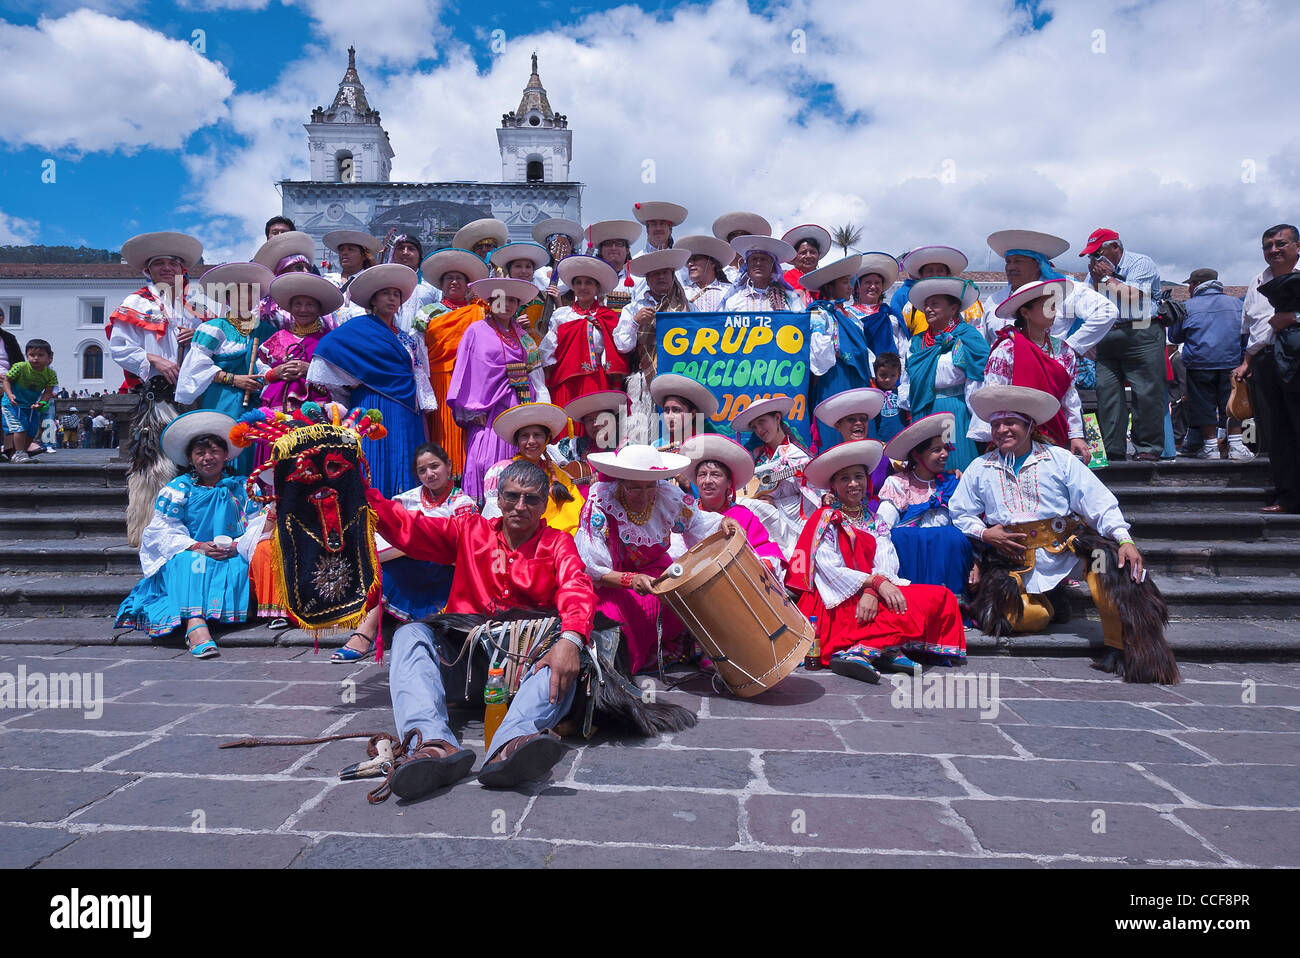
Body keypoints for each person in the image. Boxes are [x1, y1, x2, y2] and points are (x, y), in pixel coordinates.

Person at [365, 460, 596, 797]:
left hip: (526, 670)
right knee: (409, 634)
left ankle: (510, 746)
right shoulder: (470, 530)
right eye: (512, 496)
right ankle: (432, 745)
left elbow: (577, 587)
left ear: (545, 503)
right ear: (498, 499)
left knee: (564, 656)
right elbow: (408, 528)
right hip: (466, 665)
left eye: (531, 499)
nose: (520, 506)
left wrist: (571, 638)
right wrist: (361, 491)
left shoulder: (558, 543)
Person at [951, 385, 1173, 682]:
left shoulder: (1059, 459)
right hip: (1011, 562)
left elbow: (1097, 501)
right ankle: (1049, 604)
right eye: (995, 425)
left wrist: (1124, 539)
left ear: (1029, 425)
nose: (1002, 430)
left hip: (1067, 551)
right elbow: (959, 512)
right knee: (1029, 618)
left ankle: (1118, 647)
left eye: (1010, 423)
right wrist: (985, 533)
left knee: (1105, 567)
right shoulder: (980, 467)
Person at [786, 438, 966, 684]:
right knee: (898, 610)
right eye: (844, 478)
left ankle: (873, 649)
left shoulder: (874, 518)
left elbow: (887, 559)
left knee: (940, 596)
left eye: (858, 477)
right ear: (833, 486)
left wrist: (875, 587)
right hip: (838, 599)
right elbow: (830, 570)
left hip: (873, 592)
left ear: (867, 480)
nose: (853, 484)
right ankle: (869, 650)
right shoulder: (824, 519)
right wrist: (874, 583)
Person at [573, 444, 739, 675]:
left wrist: (721, 524)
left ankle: (673, 643)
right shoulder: (600, 505)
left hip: (659, 575)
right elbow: (592, 568)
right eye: (635, 488)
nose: (644, 495)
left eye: (650, 486)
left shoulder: (667, 498)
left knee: (687, 601)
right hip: (614, 583)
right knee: (614, 625)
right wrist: (630, 580)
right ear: (620, 482)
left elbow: (697, 525)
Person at [115, 411, 255, 658]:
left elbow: (256, 523)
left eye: (214, 452)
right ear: (190, 459)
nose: (208, 458)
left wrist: (237, 545)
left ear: (226, 455)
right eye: (200, 453)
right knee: (191, 563)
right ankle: (195, 624)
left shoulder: (243, 487)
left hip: (232, 550)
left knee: (243, 563)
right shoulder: (177, 489)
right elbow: (161, 529)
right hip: (193, 551)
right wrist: (197, 545)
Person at [341, 443, 479, 665]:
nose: (430, 474)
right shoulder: (406, 500)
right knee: (391, 567)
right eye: (422, 470)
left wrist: (415, 547)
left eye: (435, 466)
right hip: (406, 566)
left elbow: (463, 550)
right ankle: (367, 630)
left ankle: (369, 632)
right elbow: (385, 540)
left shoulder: (462, 504)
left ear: (448, 465)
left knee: (401, 565)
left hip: (445, 572)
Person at [309, 263, 436, 497]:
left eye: (396, 294)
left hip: (407, 408)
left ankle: (402, 513)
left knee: (405, 455)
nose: (392, 299)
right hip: (372, 403)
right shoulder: (358, 328)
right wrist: (351, 385)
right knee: (374, 456)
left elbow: (418, 372)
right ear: (373, 300)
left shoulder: (407, 338)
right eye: (385, 294)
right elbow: (327, 349)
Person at [448, 276, 549, 499]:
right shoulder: (475, 331)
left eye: (512, 300)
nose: (507, 304)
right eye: (501, 299)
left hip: (518, 407)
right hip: (485, 410)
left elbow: (536, 376)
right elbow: (465, 370)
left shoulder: (526, 338)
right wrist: (471, 410)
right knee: (482, 461)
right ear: (490, 302)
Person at [968, 279, 1090, 462]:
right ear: (1026, 312)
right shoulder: (1006, 349)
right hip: (1015, 437)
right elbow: (995, 396)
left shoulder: (1064, 351)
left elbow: (1069, 397)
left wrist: (1076, 434)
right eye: (1047, 305)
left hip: (1056, 433)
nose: (1054, 310)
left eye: (1054, 304)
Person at [176, 262, 272, 475]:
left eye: (249, 292)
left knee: (257, 460)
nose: (243, 298)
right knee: (224, 452)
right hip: (222, 404)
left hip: (258, 407)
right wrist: (234, 379)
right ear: (227, 298)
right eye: (236, 293)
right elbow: (195, 368)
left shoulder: (268, 331)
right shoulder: (213, 328)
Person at [1077, 228, 1164, 462]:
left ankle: (1148, 447)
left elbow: (1134, 297)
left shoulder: (1140, 263)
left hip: (1141, 330)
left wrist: (1105, 279)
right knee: (1107, 391)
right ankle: (1112, 447)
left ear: (1115, 248)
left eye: (1098, 252)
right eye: (1090, 255)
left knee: (1146, 391)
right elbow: (1084, 302)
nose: (1094, 259)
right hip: (1108, 334)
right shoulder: (1094, 273)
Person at [1236, 224, 1300, 512]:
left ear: (1297, 246)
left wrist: (1294, 316)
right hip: (1266, 360)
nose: (1273, 250)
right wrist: (1247, 360)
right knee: (1277, 430)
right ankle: (1287, 495)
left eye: (1280, 243)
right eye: (1267, 246)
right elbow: (1251, 328)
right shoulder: (1257, 282)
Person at [876, 413, 974, 598]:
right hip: (911, 561)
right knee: (897, 536)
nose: (945, 454)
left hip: (945, 562)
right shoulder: (898, 483)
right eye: (937, 450)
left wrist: (975, 561)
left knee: (954, 536)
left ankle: (953, 604)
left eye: (945, 448)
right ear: (917, 454)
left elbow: (967, 523)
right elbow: (882, 527)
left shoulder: (953, 482)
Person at [979, 229, 1118, 358]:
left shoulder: (1064, 290)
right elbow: (983, 342)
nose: (1010, 267)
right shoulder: (994, 300)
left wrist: (1067, 350)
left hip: (1047, 377)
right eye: (1008, 261)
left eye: (1018, 261)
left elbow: (1107, 311)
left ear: (1038, 264)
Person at [106, 231, 218, 392]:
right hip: (154, 391)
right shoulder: (135, 303)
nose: (167, 268)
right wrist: (153, 359)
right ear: (148, 270)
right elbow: (119, 348)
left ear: (182, 269)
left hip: (195, 391)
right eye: (159, 263)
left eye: (173, 263)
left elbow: (219, 346)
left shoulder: (197, 309)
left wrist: (198, 337)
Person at [415, 247, 490, 476]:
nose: (454, 282)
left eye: (459, 278)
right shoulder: (427, 312)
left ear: (468, 283)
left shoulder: (480, 311)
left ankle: (471, 480)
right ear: (441, 283)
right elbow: (417, 348)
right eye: (449, 278)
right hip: (439, 379)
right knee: (443, 432)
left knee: (473, 433)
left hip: (472, 381)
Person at [904, 276, 989, 470]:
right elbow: (908, 381)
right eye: (926, 305)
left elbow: (978, 378)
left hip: (954, 412)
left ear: (953, 308)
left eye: (935, 304)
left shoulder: (968, 337)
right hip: (924, 410)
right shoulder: (917, 343)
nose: (928, 309)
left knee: (952, 461)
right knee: (928, 467)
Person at [1166, 268, 1251, 460]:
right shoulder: (1236, 304)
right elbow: (1246, 334)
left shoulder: (1187, 306)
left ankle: (1211, 447)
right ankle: (1237, 446)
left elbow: (1174, 336)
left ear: (1195, 284)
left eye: (1189, 284)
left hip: (1199, 364)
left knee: (1203, 405)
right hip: (1232, 363)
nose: (1188, 288)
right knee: (1231, 404)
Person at [613, 248, 693, 444]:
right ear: (647, 280)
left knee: (680, 439)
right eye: (655, 274)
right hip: (645, 384)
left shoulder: (688, 307)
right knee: (642, 439)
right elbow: (622, 345)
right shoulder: (633, 308)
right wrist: (635, 322)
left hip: (681, 378)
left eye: (665, 272)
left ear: (673, 276)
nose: (661, 277)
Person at [682, 433, 787, 575]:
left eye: (715, 474)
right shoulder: (685, 515)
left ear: (729, 483)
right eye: (702, 474)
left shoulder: (744, 516)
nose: (707, 481)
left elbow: (765, 552)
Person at [731, 395, 820, 554]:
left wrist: (776, 504)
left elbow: (813, 497)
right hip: (764, 524)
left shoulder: (797, 455)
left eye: (762, 421)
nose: (758, 430)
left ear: (777, 418)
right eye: (754, 426)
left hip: (793, 525)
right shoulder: (755, 458)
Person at [481, 402, 583, 535]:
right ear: (517, 441)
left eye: (537, 435)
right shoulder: (501, 470)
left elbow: (575, 506)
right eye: (525, 436)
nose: (531, 441)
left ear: (546, 439)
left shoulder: (556, 473)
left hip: (560, 540)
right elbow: (494, 517)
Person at [539, 255, 626, 410]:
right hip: (565, 383)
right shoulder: (561, 315)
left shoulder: (608, 317)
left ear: (597, 287)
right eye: (578, 282)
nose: (583, 287)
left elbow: (617, 351)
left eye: (588, 282)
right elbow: (547, 352)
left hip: (597, 381)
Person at [258, 272, 340, 416]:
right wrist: (275, 373)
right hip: (277, 409)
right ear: (290, 308)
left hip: (316, 410)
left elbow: (341, 377)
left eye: (310, 305)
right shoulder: (278, 338)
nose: (303, 310)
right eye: (298, 304)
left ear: (319, 309)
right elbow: (261, 370)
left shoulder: (330, 340)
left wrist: (311, 369)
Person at [890, 245, 984, 336]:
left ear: (948, 274)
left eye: (940, 270)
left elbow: (977, 338)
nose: (935, 275)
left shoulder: (969, 305)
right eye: (929, 271)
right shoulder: (911, 307)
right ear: (921, 276)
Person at [252, 231, 332, 333]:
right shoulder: (264, 308)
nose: (306, 271)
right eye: (299, 267)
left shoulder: (321, 304)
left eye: (308, 268)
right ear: (282, 271)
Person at [548, 390, 627, 479]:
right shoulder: (576, 446)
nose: (595, 424)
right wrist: (561, 473)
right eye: (589, 420)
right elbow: (546, 454)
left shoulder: (626, 447)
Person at [2, 339, 57, 463]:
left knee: (31, 431)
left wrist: (42, 403)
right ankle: (19, 454)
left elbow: (48, 392)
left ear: (50, 357)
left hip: (30, 406)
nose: (35, 359)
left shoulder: (50, 374)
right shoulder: (20, 367)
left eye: (40, 355)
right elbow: (6, 380)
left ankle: (21, 452)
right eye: (32, 355)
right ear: (27, 356)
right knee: (19, 428)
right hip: (12, 404)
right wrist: (10, 395)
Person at [719, 236, 804, 312]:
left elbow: (800, 322)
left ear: (773, 267)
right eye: (754, 259)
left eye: (764, 259)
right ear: (747, 266)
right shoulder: (734, 300)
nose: (758, 263)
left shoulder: (790, 299)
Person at [383, 230, 441, 334]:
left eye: (411, 249)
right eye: (400, 249)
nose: (405, 252)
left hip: (423, 343)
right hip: (390, 341)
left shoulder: (431, 283)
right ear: (393, 254)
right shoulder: (384, 282)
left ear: (419, 256)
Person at [490, 241, 551, 338]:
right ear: (509, 270)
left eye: (528, 267)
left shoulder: (544, 296)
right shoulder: (499, 296)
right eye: (518, 266)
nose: (524, 271)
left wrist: (557, 300)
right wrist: (514, 326)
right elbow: (493, 329)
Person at [586, 219, 642, 312]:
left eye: (619, 244)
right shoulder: (590, 279)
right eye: (608, 244)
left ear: (627, 250)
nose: (613, 248)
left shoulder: (638, 279)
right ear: (600, 250)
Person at [322, 229, 381, 304]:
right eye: (341, 250)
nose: (344, 253)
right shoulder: (329, 280)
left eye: (350, 249)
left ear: (364, 256)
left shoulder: (370, 282)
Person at [676, 235, 733, 311]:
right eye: (688, 260)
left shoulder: (729, 291)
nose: (690, 264)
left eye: (695, 259)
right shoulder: (682, 294)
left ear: (712, 263)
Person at [712, 211, 771, 284]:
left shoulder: (762, 272)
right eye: (736, 242)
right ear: (729, 244)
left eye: (745, 242)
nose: (741, 246)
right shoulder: (718, 273)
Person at [870, 353, 909, 443]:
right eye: (883, 375)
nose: (888, 379)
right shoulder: (874, 396)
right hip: (882, 443)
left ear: (899, 375)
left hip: (902, 441)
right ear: (876, 374)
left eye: (892, 375)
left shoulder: (903, 394)